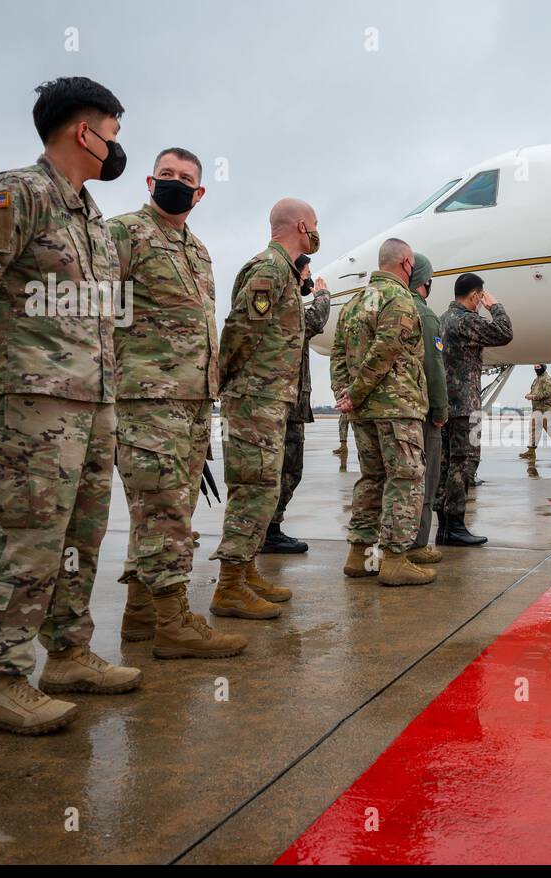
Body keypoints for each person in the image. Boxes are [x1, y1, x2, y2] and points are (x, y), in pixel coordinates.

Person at [0, 76, 140, 734]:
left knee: (81, 538)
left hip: (92, 405)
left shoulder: (91, 220)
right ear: (84, 132)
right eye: (113, 133)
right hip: (31, 403)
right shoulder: (16, 193)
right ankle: (0, 681)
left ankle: (68, 655)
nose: (118, 147)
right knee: (29, 538)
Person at [110, 147, 246, 659]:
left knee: (170, 510)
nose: (174, 182)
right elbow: (95, 305)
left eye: (184, 177)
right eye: (166, 174)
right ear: (149, 180)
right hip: (146, 398)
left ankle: (141, 615)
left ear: (199, 191)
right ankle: (173, 624)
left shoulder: (199, 250)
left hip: (191, 403)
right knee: (163, 512)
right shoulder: (123, 233)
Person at [209, 198, 320, 617]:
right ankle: (229, 587)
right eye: (315, 225)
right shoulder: (271, 270)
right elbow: (238, 332)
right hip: (255, 399)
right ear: (302, 226)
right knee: (253, 490)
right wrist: (230, 385)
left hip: (269, 399)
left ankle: (246, 570)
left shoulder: (285, 273)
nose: (316, 232)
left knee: (262, 489)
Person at [330, 238, 433, 586]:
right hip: (396, 408)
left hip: (363, 413)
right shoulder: (399, 298)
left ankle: (358, 555)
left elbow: (337, 354)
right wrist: (355, 393)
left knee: (372, 479)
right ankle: (394, 560)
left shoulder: (354, 302)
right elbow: (386, 349)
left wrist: (345, 395)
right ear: (406, 263)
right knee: (405, 479)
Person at [436, 273, 513, 546]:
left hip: (445, 404)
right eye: (481, 297)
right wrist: (496, 307)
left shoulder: (442, 319)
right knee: (464, 463)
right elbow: (505, 333)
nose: (482, 301)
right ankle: (455, 525)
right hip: (465, 406)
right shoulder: (466, 320)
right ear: (474, 296)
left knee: (445, 464)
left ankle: (444, 527)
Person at [263, 258, 331, 554]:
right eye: (307, 273)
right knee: (284, 470)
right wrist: (322, 296)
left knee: (290, 470)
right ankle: (268, 531)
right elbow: (314, 320)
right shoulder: (287, 306)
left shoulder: (288, 303)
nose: (310, 278)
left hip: (291, 403)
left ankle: (270, 528)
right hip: (283, 405)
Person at [407, 252, 449, 565]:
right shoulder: (424, 314)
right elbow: (434, 367)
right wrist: (440, 411)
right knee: (426, 478)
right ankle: (418, 544)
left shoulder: (377, 304)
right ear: (425, 280)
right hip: (419, 413)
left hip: (385, 413)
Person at [519, 364, 551, 461]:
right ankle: (531, 451)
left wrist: (533, 397)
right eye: (535, 367)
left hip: (547, 410)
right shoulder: (536, 380)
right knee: (534, 430)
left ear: (543, 367)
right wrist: (530, 395)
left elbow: (548, 392)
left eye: (538, 367)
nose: (536, 369)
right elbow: (534, 391)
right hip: (537, 409)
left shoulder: (548, 379)